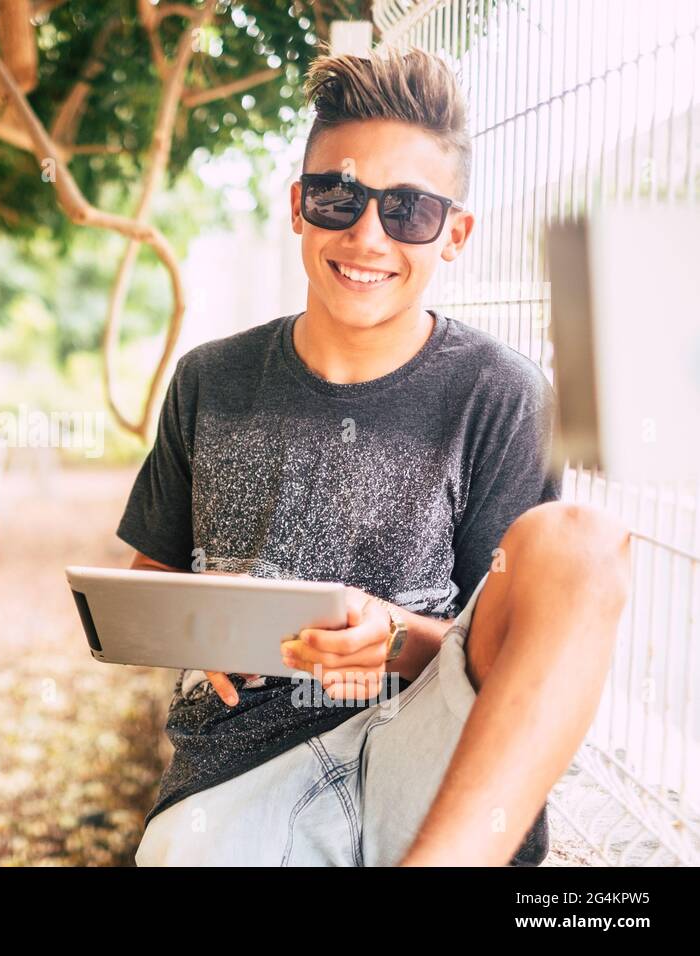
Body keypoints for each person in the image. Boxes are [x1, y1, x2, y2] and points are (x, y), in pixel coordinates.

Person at [118, 46, 631, 867]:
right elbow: (145, 583)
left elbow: (496, 645)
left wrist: (392, 637)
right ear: (297, 206)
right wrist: (198, 618)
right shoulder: (210, 379)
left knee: (583, 539)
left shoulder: (502, 395)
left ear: (454, 233)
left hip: (431, 760)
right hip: (243, 771)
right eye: (338, 196)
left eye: (409, 210)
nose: (366, 234)